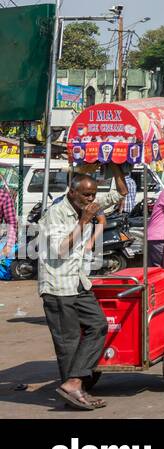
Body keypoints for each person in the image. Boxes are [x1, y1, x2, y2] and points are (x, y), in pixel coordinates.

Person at [37, 173, 114, 411]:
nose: (90, 199)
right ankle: (74, 388)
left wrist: (118, 168)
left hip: (77, 281)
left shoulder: (85, 206)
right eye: (86, 194)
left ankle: (75, 381)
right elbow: (60, 250)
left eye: (93, 194)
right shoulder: (56, 214)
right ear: (72, 193)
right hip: (58, 285)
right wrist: (84, 222)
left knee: (98, 324)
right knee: (68, 341)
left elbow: (117, 194)